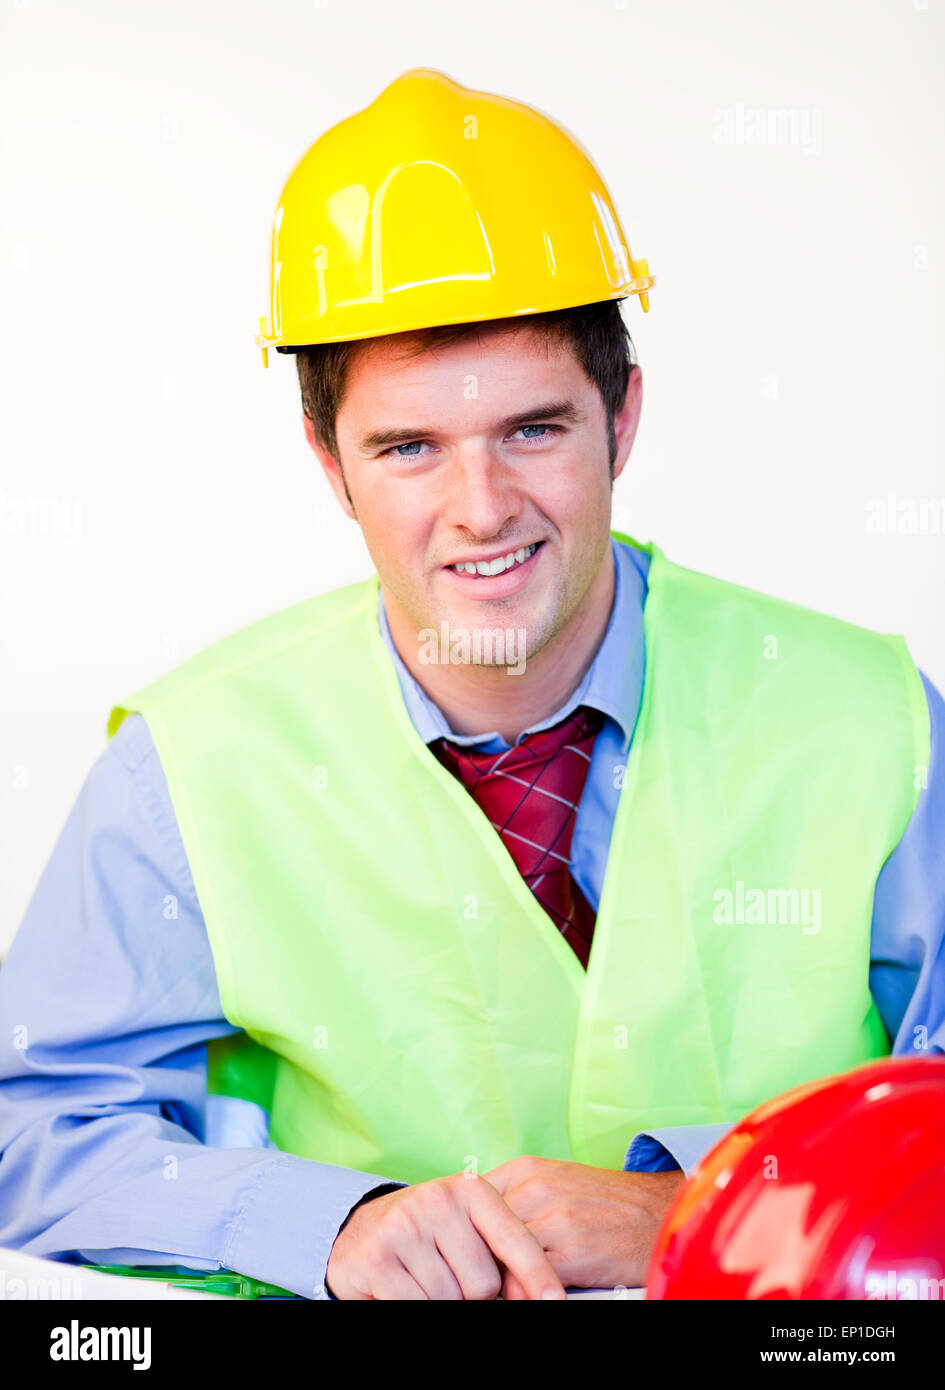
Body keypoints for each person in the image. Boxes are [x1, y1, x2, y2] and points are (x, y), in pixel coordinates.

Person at [1, 68, 943, 1303]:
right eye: (410, 448)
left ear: (623, 419)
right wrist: (327, 1225)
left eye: (533, 429)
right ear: (330, 464)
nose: (482, 509)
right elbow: (36, 1132)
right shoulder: (186, 768)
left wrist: (705, 1204)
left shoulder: (866, 716)